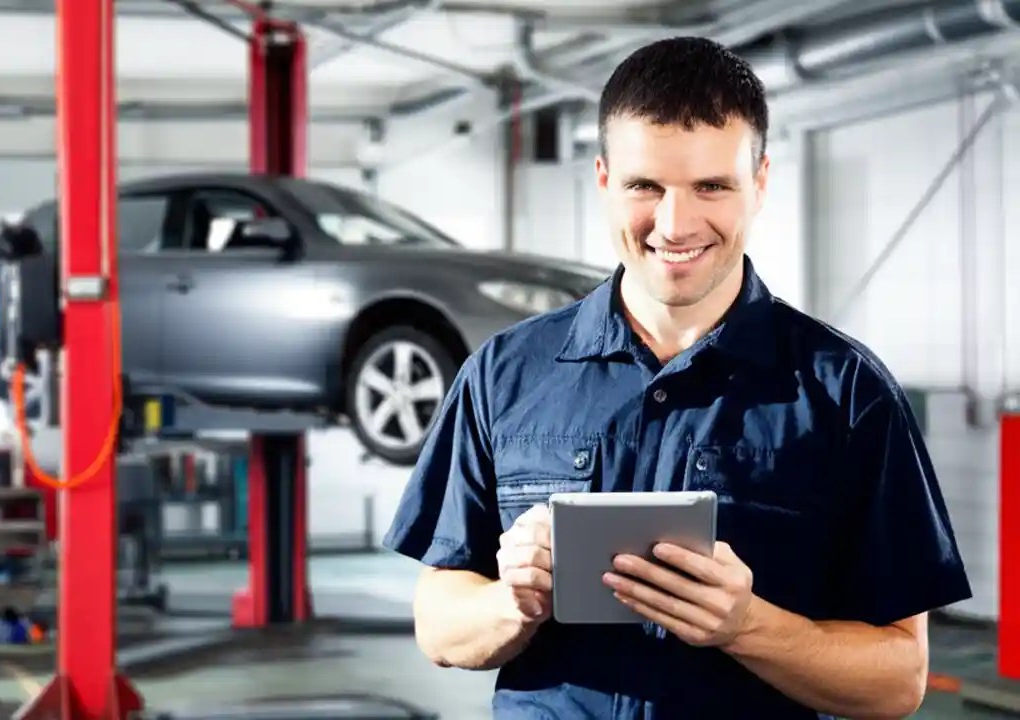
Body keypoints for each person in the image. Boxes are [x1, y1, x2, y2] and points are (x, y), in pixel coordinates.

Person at [381, 36, 972, 720]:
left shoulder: (846, 394)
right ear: (604, 180)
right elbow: (439, 624)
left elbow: (898, 679)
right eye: (645, 186)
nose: (675, 223)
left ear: (760, 183)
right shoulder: (503, 375)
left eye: (711, 186)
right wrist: (512, 601)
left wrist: (747, 625)